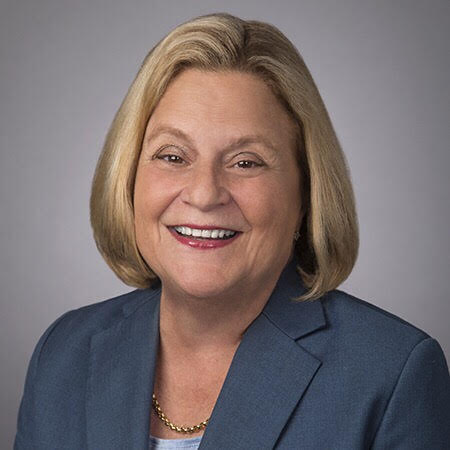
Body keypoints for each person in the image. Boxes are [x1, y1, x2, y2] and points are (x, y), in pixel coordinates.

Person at [15, 13, 450, 450]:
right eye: (173, 156)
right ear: (128, 177)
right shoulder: (64, 353)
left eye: (246, 162)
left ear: (306, 192)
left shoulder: (391, 375)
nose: (204, 194)